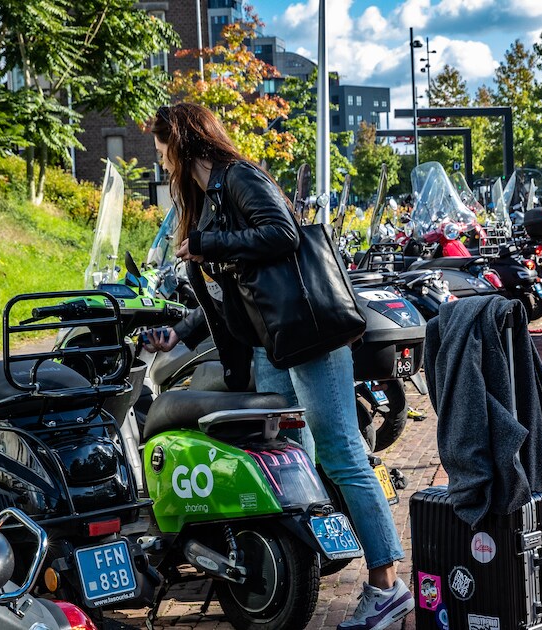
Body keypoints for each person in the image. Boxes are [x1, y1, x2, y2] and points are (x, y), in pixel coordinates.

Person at [144, 103, 414, 630]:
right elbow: (231, 293)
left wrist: (207, 243)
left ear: (179, 142)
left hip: (307, 333)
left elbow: (284, 235)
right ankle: (304, 560)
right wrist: (180, 331)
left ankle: (387, 585)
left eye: (160, 151)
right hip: (270, 345)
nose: (159, 163)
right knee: (286, 453)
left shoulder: (239, 177)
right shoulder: (208, 202)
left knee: (339, 450)